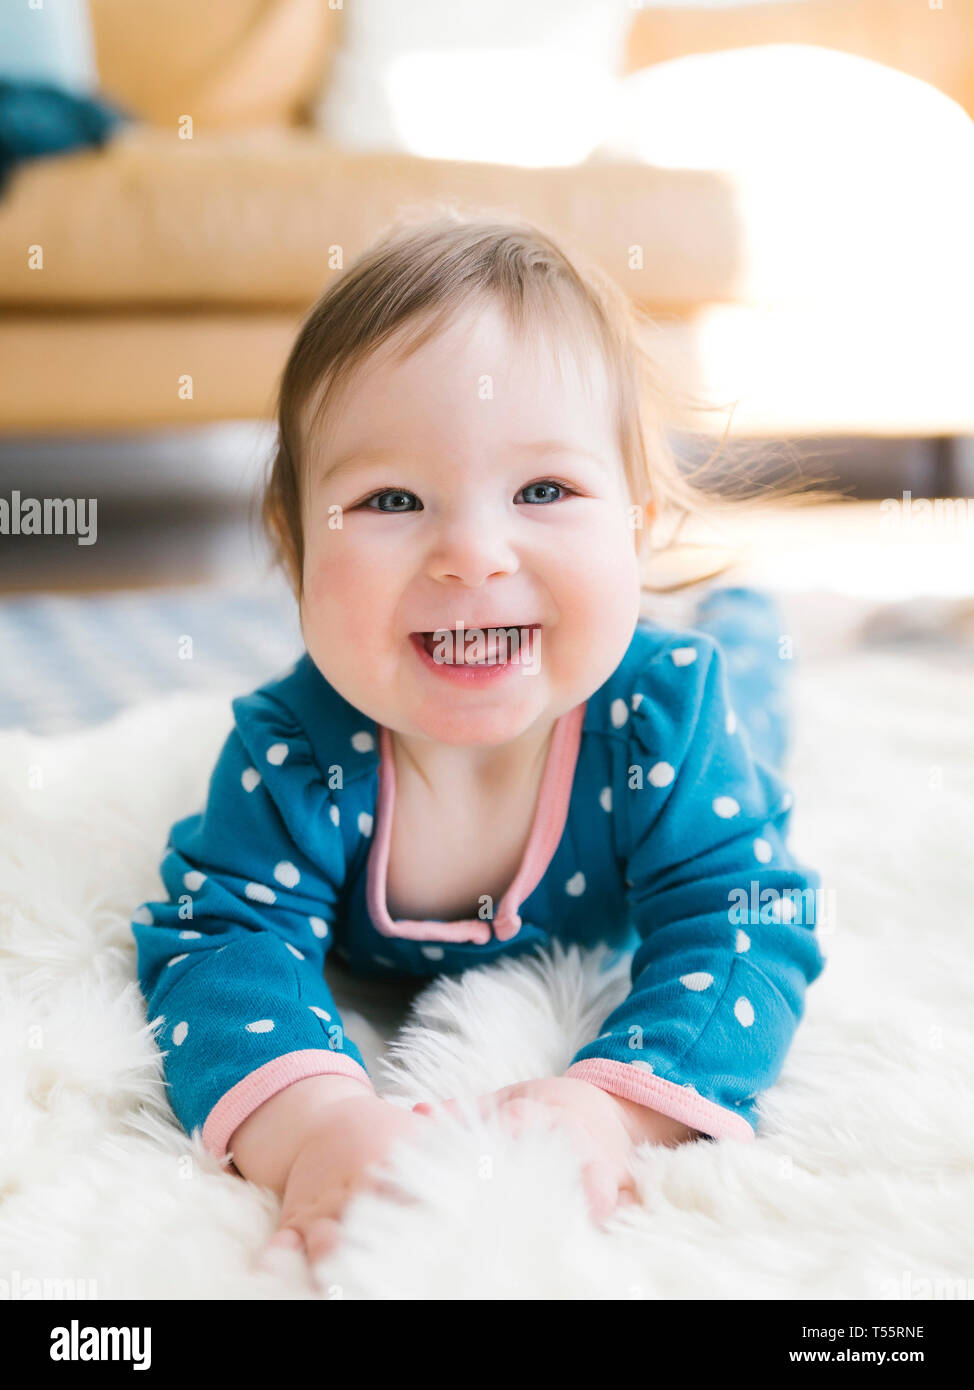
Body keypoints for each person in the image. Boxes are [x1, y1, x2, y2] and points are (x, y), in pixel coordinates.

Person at [130, 209, 825, 1269]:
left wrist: (610, 1107)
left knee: (755, 710)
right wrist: (315, 1122)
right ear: (292, 543)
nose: (471, 552)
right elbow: (220, 939)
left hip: (687, 704)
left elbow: (742, 917)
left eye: (543, 490)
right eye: (391, 498)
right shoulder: (293, 751)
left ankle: (742, 613)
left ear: (634, 528)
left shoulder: (662, 716)